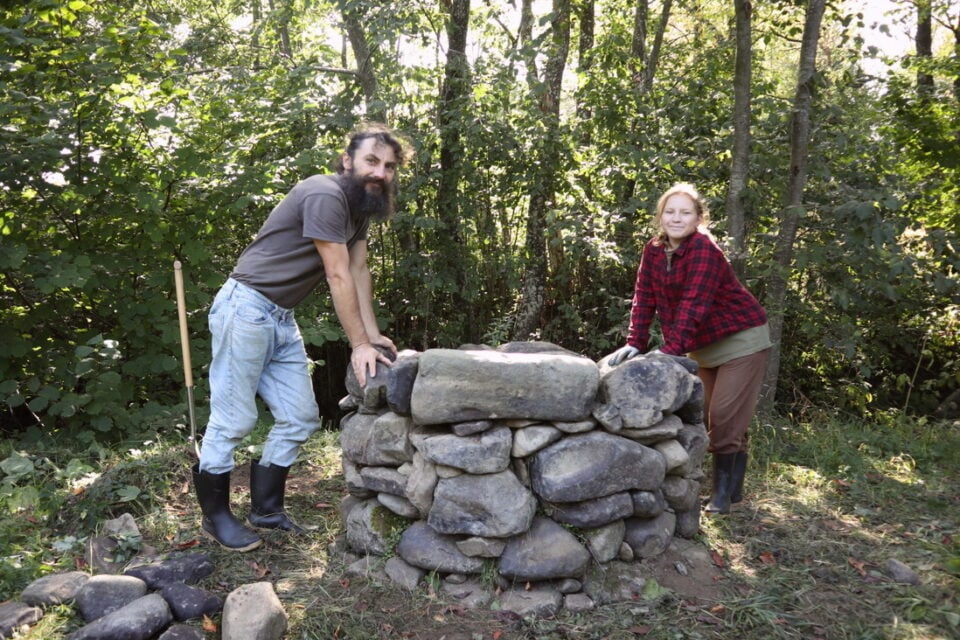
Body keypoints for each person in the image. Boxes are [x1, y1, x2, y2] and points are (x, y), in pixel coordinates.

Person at [192, 123, 411, 551]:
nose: (380, 173)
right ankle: (215, 518)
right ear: (348, 160)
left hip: (279, 314)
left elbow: (359, 270)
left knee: (299, 418)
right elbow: (336, 273)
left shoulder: (359, 206)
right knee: (235, 419)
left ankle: (266, 511)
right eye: (372, 161)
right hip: (246, 309)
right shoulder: (324, 194)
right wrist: (358, 345)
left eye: (388, 166)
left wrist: (372, 334)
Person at [608, 183, 771, 514]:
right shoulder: (653, 250)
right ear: (660, 216)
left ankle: (722, 496)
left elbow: (693, 304)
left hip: (741, 339)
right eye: (670, 211)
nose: (676, 218)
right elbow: (644, 297)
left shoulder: (703, 250)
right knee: (717, 419)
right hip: (702, 345)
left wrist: (671, 351)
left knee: (723, 416)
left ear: (699, 218)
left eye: (685, 212)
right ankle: (735, 491)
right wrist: (635, 342)